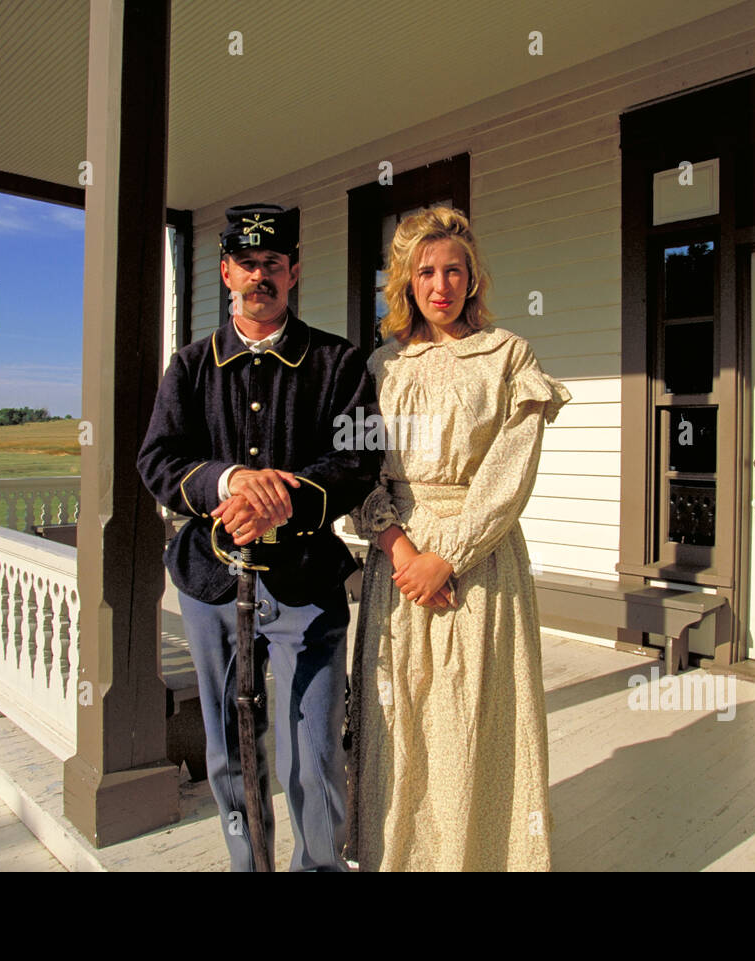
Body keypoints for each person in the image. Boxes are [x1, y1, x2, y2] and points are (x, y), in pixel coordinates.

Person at [137, 203, 380, 871]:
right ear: (225, 271)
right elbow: (158, 462)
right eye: (248, 263)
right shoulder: (189, 367)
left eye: (274, 263)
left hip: (307, 584)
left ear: (294, 270)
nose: (260, 275)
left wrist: (281, 500)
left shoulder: (338, 363)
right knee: (229, 753)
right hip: (210, 584)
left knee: (314, 755)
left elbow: (358, 462)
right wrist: (231, 482)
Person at [347, 205, 570, 871]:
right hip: (398, 562)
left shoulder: (507, 356)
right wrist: (403, 550)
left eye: (454, 271)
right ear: (406, 283)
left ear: (473, 279)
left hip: (479, 563)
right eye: (426, 272)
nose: (440, 284)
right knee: (403, 720)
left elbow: (509, 472)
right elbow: (360, 471)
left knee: (470, 718)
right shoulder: (381, 367)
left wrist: (449, 555)